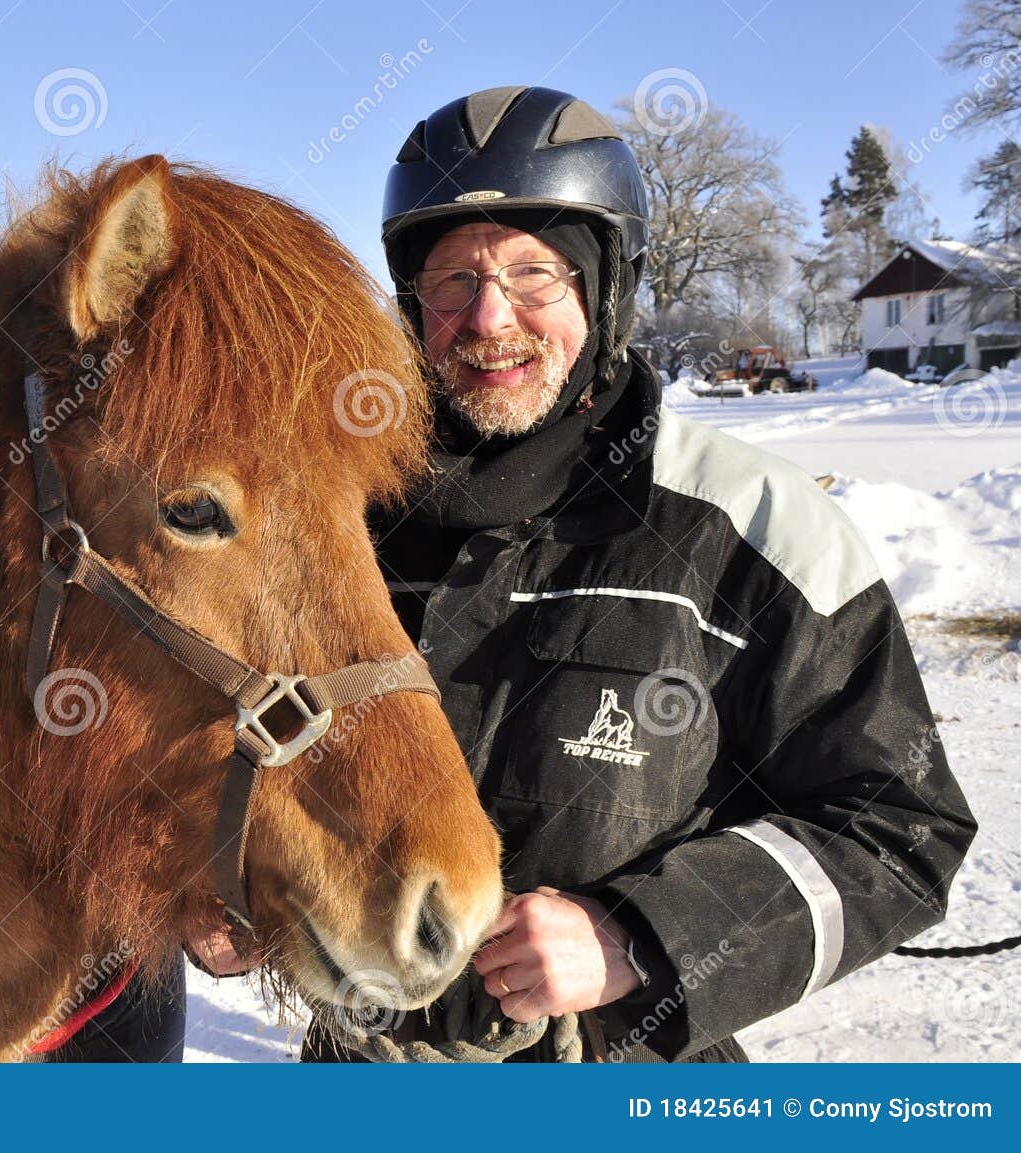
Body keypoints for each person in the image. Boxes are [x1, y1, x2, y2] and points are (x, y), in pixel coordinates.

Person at [194, 86, 978, 1064]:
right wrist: (224, 881)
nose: (489, 318)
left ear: (603, 290)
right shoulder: (339, 521)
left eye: (534, 274)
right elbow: (242, 733)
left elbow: (897, 825)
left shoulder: (757, 529)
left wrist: (641, 938)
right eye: (451, 282)